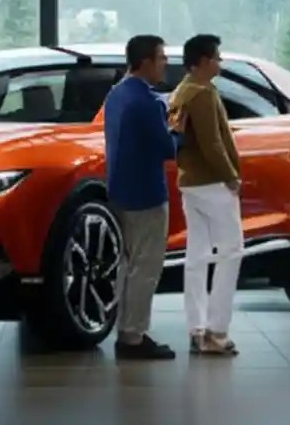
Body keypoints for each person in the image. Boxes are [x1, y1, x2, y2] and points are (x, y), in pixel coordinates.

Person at [103, 34, 182, 360]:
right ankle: (133, 336)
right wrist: (179, 129)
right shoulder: (146, 102)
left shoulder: (116, 96)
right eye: (161, 57)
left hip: (119, 189)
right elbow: (167, 148)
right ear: (146, 62)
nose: (165, 63)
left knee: (127, 264)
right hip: (147, 194)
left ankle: (125, 328)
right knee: (146, 266)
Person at [166, 34, 243, 356]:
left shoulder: (180, 92)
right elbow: (213, 142)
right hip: (212, 182)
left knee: (197, 255)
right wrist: (231, 176)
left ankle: (196, 327)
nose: (220, 63)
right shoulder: (203, 94)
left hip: (189, 182)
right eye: (216, 57)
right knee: (231, 250)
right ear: (203, 61)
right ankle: (216, 330)